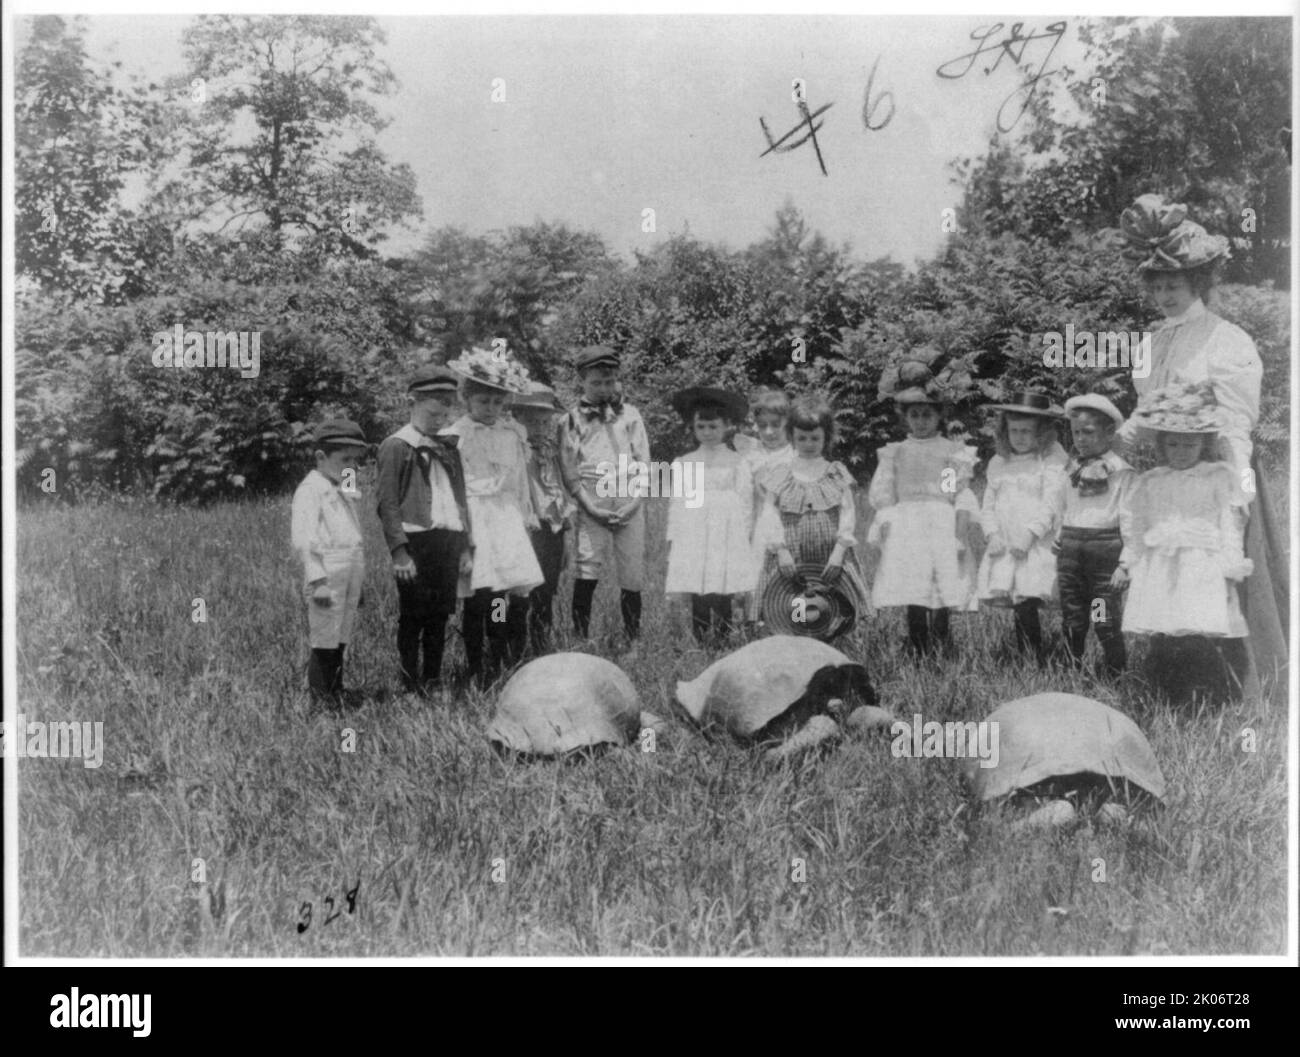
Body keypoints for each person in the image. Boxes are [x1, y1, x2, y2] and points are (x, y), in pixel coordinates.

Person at [1113, 193, 1284, 695]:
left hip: (1216, 470)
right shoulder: (1152, 343)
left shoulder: (1226, 339)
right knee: (1170, 573)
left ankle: (1245, 685)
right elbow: (1147, 413)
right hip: (1168, 476)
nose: (1165, 295)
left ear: (1199, 282)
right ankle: (1173, 680)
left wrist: (1240, 487)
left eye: (1175, 285)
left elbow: (1236, 421)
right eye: (1158, 286)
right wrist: (1116, 450)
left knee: (1224, 576)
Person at [1121, 381, 1253, 703]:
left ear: (1203, 444)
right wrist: (1132, 561)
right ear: (1163, 446)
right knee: (1164, 628)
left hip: (1200, 564)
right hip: (1162, 565)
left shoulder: (1217, 476)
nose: (1181, 453)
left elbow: (1229, 520)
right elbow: (1136, 524)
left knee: (1197, 627)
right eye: (1175, 445)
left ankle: (1204, 692)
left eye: (1189, 446)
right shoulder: (1151, 481)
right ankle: (1164, 690)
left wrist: (1230, 561)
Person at [443, 345, 543, 685]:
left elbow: (518, 480)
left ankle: (502, 655)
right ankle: (474, 663)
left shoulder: (511, 433)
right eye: (483, 401)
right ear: (467, 399)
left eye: (498, 403)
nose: (491, 409)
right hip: (475, 517)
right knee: (479, 593)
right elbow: (452, 486)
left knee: (506, 591)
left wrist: (525, 513)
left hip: (505, 517)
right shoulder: (456, 435)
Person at [867, 369, 978, 656]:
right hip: (908, 523)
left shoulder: (948, 450)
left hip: (939, 518)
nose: (921, 422)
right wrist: (886, 520)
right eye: (914, 415)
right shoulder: (897, 451)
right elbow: (885, 492)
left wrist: (957, 529)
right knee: (913, 582)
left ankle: (941, 639)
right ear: (905, 417)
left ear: (939, 415)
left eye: (927, 415)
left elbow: (951, 490)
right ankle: (917, 642)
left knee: (940, 580)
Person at [376, 365, 472, 694]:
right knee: (413, 614)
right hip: (416, 542)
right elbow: (387, 503)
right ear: (412, 402)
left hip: (447, 539)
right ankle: (408, 681)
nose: (439, 420)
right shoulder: (397, 446)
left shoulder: (449, 446)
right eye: (432, 412)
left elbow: (461, 500)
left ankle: (433, 678)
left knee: (440, 614)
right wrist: (400, 552)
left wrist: (465, 547)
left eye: (445, 413)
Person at [754, 395, 871, 633]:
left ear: (826, 437)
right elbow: (769, 514)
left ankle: (837, 644)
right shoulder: (781, 472)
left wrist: (840, 551)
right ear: (792, 437)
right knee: (788, 607)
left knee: (834, 607)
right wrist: (781, 551)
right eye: (802, 438)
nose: (808, 443)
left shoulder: (835, 472)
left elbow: (848, 513)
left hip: (830, 554)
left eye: (815, 438)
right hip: (790, 554)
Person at [558, 345, 650, 645]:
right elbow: (569, 469)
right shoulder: (570, 419)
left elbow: (644, 463)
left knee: (632, 570)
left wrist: (634, 502)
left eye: (609, 381)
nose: (603, 388)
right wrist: (588, 505)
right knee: (588, 566)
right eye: (595, 382)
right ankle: (580, 638)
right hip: (592, 497)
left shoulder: (631, 415)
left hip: (628, 497)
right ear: (582, 381)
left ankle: (633, 638)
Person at [976, 392, 1069, 665]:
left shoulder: (1049, 462)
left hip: (1035, 542)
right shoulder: (998, 463)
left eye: (1027, 431)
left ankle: (1060, 653)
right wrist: (991, 534)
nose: (1020, 437)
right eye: (1014, 431)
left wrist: (1030, 535)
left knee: (1033, 593)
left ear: (1041, 433)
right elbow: (988, 505)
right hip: (1006, 542)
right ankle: (1027, 655)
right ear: (1005, 432)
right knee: (1019, 599)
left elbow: (1052, 504)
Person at [664, 387, 755, 645]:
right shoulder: (684, 462)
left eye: (713, 426)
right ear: (693, 427)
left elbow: (745, 499)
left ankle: (725, 635)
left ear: (727, 426)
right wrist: (674, 537)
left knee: (722, 582)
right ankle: (702, 637)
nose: (707, 433)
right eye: (701, 427)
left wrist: (744, 535)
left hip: (726, 529)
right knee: (699, 582)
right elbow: (678, 501)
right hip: (695, 530)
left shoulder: (737, 461)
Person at [1057, 393, 1136, 678]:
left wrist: (1125, 563)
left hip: (1104, 555)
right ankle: (1071, 672)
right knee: (1073, 616)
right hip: (1071, 551)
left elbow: (1130, 519)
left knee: (1102, 616)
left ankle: (1114, 673)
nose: (1081, 439)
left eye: (1088, 432)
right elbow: (1064, 505)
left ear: (1109, 432)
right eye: (1076, 432)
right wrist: (1059, 535)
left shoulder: (1120, 473)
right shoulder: (1072, 468)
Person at [291, 419, 370, 702]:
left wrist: (357, 583)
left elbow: (352, 531)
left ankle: (337, 689)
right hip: (327, 571)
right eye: (344, 459)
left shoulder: (342, 487)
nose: (351, 466)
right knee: (325, 636)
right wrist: (318, 580)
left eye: (355, 461)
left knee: (341, 633)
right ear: (321, 458)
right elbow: (304, 539)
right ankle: (321, 698)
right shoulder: (310, 490)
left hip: (350, 566)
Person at [510, 382, 573, 653]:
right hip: (523, 529)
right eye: (531, 421)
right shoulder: (513, 450)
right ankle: (507, 643)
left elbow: (558, 492)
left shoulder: (551, 451)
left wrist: (565, 533)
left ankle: (540, 643)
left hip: (551, 529)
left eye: (544, 422)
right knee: (514, 593)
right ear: (517, 419)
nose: (538, 427)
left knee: (545, 591)